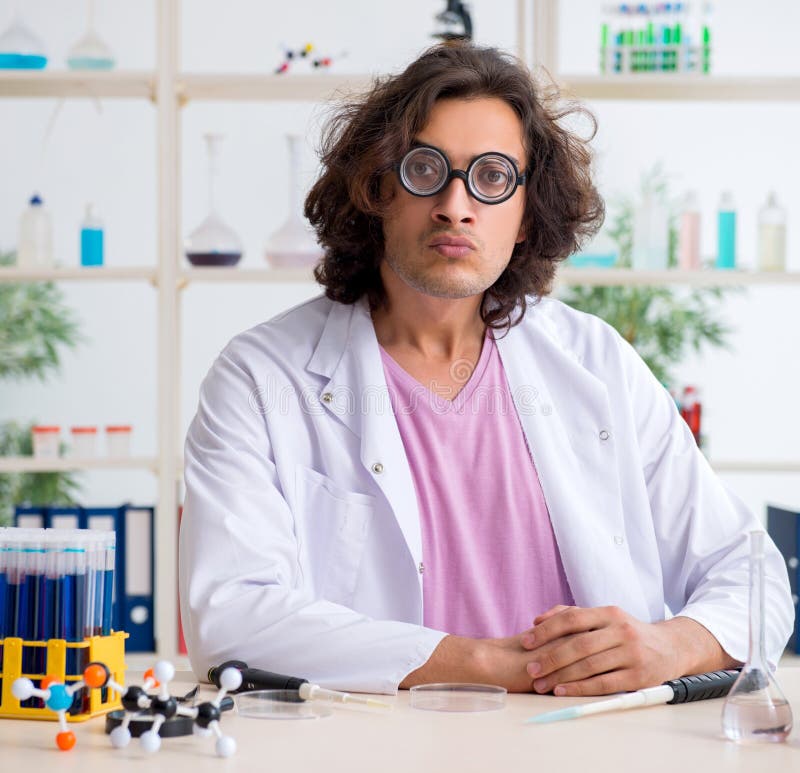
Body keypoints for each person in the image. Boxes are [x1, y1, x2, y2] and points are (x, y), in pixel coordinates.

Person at [179, 44, 793, 696]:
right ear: (376, 189)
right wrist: (491, 667)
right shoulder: (261, 377)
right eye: (425, 168)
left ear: (527, 215)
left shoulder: (596, 363)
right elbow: (230, 618)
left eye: (493, 178)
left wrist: (667, 646)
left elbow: (754, 576)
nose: (455, 205)